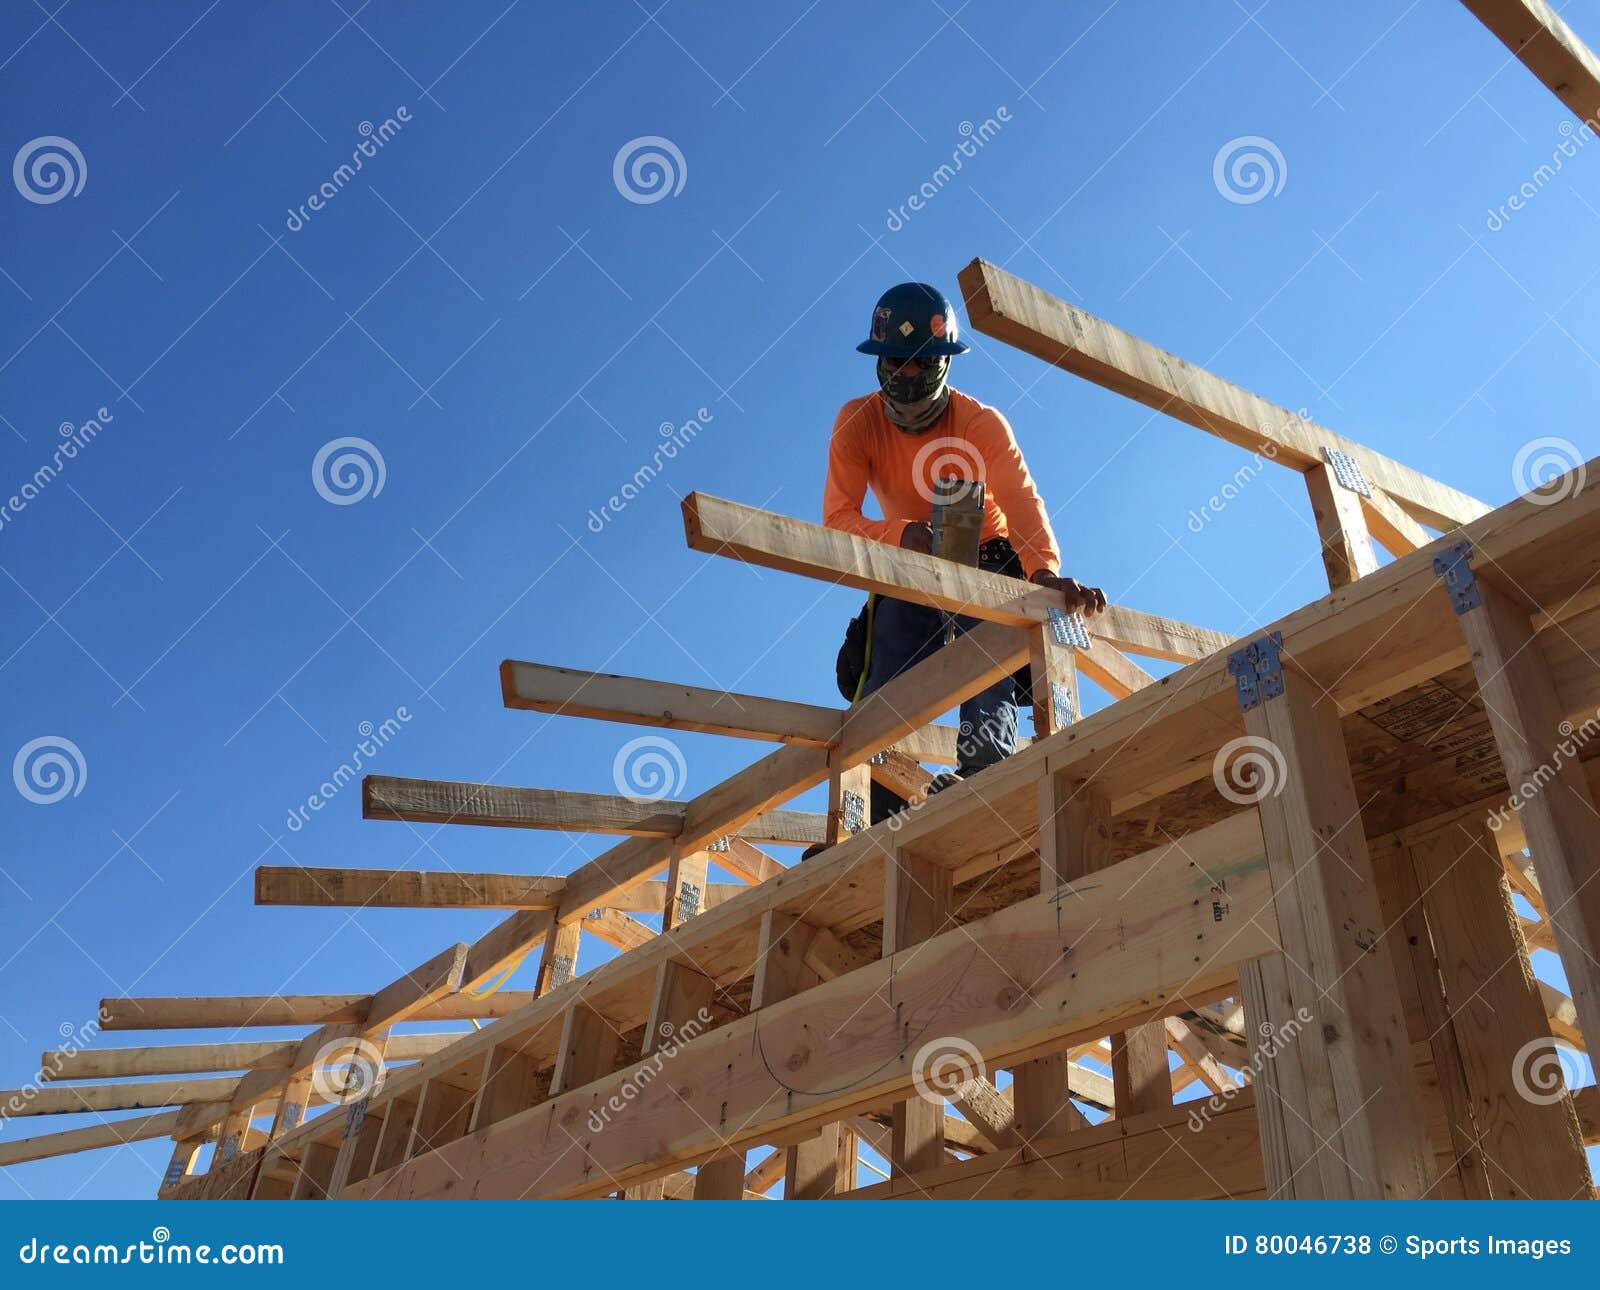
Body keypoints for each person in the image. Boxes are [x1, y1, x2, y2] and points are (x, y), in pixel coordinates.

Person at [823, 281, 1105, 821]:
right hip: (909, 560)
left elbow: (1023, 502)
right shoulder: (857, 423)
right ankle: (875, 811)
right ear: (879, 362)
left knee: (986, 633)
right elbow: (837, 524)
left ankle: (987, 766)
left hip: (986, 550)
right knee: (887, 670)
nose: (908, 376)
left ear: (944, 365)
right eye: (897, 363)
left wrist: (1042, 572)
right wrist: (902, 534)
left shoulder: (980, 424)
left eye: (921, 365)